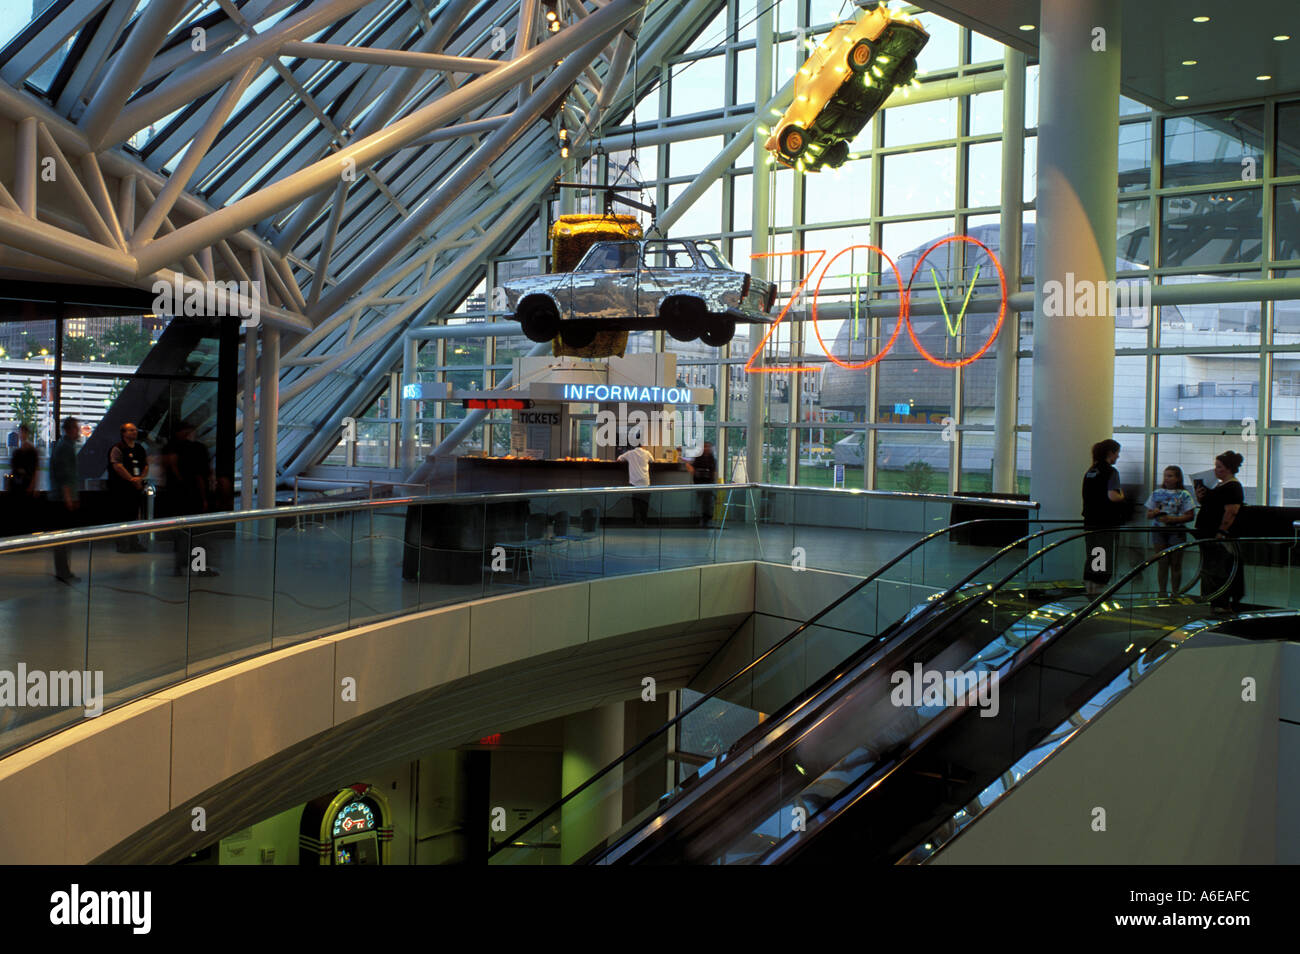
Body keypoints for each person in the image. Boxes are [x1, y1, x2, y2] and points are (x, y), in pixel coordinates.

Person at [161, 421, 218, 577]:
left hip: (174, 497)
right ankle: (198, 566)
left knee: (179, 534)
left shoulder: (169, 449)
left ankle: (178, 566)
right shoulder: (196, 449)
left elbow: (165, 473)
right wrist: (204, 498)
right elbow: (199, 475)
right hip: (193, 497)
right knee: (198, 534)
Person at [1194, 451, 1246, 610]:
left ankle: (1221, 601)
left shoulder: (1233, 487)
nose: (1216, 470)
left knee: (1219, 568)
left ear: (1229, 468)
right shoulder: (1219, 485)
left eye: (1219, 467)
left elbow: (1231, 511)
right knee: (1210, 567)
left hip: (1217, 533)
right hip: (1207, 531)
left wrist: (1222, 531)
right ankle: (1214, 600)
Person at [1081, 438, 1126, 595]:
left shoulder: (1091, 471)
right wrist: (1122, 496)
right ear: (1110, 453)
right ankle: (1098, 595)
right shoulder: (1111, 472)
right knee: (1102, 555)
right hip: (1105, 522)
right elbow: (1113, 496)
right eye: (1117, 453)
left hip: (1090, 520)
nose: (1118, 457)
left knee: (1093, 555)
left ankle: (1090, 590)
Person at [1144, 465, 1195, 597]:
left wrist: (1172, 519)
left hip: (1176, 530)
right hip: (1159, 530)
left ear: (1177, 478)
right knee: (1162, 562)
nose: (1166, 479)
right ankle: (1162, 593)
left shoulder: (1184, 494)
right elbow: (1148, 514)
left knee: (1176, 563)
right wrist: (1154, 512)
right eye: (1165, 476)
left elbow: (1190, 515)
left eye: (1170, 476)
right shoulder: (1156, 493)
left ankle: (1175, 593)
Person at [107, 421, 149, 552]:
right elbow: (117, 466)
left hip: (136, 488)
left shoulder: (140, 448)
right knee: (121, 515)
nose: (134, 432)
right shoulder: (117, 448)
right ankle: (122, 543)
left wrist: (140, 478)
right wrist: (131, 479)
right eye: (131, 430)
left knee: (134, 515)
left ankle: (134, 542)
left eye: (135, 430)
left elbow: (146, 465)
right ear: (123, 433)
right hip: (121, 488)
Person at [49, 417, 81, 583]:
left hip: (61, 498)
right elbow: (65, 476)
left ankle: (64, 571)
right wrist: (69, 498)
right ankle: (63, 572)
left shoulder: (64, 446)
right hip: (61, 500)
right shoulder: (65, 448)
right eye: (76, 428)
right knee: (62, 538)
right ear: (70, 430)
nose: (79, 431)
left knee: (63, 538)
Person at [6, 423, 38, 535]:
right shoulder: (19, 451)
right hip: (18, 485)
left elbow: (34, 470)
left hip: (24, 485)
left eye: (23, 432)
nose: (21, 434)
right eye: (20, 432)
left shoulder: (30, 451)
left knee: (23, 512)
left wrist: (32, 485)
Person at [617, 441, 654, 527]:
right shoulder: (647, 453)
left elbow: (619, 459)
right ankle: (644, 522)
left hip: (634, 483)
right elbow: (652, 460)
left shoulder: (630, 453)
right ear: (643, 445)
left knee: (636, 503)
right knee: (645, 503)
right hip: (645, 482)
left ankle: (636, 522)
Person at [683, 441, 717, 528]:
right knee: (700, 501)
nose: (706, 449)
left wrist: (713, 482)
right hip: (699, 483)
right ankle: (700, 518)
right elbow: (693, 468)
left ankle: (707, 519)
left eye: (708, 447)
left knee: (707, 502)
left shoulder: (712, 459)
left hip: (708, 483)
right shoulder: (699, 458)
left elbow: (714, 472)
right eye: (705, 447)